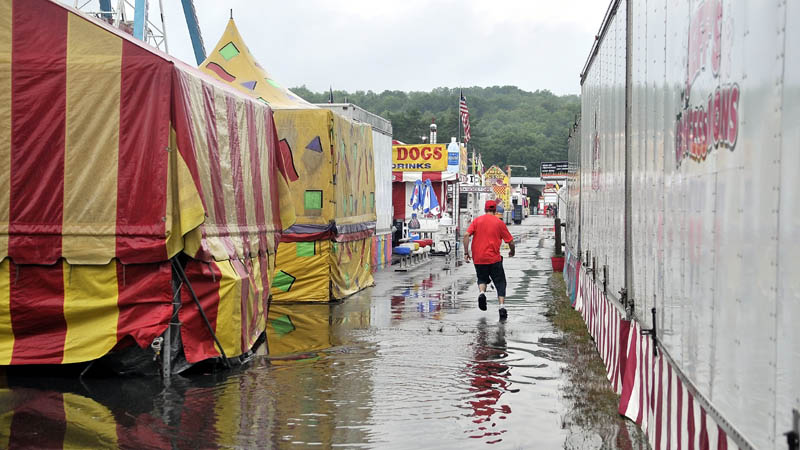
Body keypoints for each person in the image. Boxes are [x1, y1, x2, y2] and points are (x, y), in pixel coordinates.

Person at [462, 200, 515, 320]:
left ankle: (482, 293)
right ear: (495, 210)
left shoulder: (477, 221)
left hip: (479, 257)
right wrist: (512, 251)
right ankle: (501, 307)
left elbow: (466, 235)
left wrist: (466, 252)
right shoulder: (499, 223)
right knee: (500, 282)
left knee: (482, 278)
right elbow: (510, 241)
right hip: (494, 258)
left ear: (485, 209)